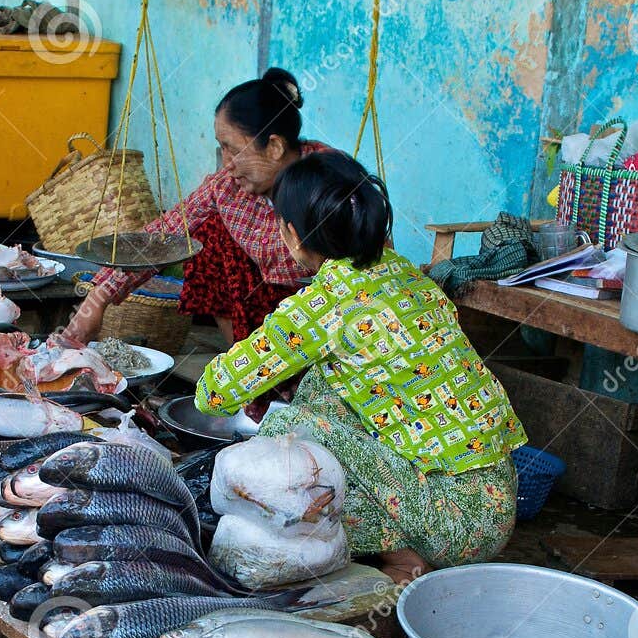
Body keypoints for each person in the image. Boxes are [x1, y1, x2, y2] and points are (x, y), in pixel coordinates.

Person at [194, 152, 527, 583]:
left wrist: (263, 369)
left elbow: (214, 394)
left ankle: (403, 555)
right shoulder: (401, 271)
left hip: (457, 525)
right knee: (320, 385)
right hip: (494, 503)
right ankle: (402, 542)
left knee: (286, 432)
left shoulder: (325, 303)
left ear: (293, 234)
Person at [57, 68, 330, 347]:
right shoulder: (227, 185)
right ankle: (239, 354)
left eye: (233, 149)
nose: (227, 163)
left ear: (274, 147)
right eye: (221, 148)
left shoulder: (329, 178)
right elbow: (163, 234)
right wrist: (98, 298)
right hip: (264, 296)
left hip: (327, 305)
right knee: (208, 232)